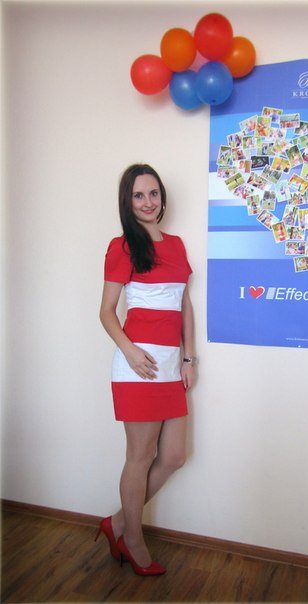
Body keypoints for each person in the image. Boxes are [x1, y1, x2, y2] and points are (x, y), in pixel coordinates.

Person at [97, 164, 196, 576]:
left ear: (161, 197)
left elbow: (183, 304)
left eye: (153, 193)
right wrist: (131, 351)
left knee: (173, 456)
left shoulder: (176, 245)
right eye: (138, 195)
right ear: (128, 201)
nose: (148, 202)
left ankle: (119, 523)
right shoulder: (122, 246)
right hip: (137, 367)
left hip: (171, 366)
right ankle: (134, 541)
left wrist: (189, 358)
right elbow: (106, 312)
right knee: (140, 457)